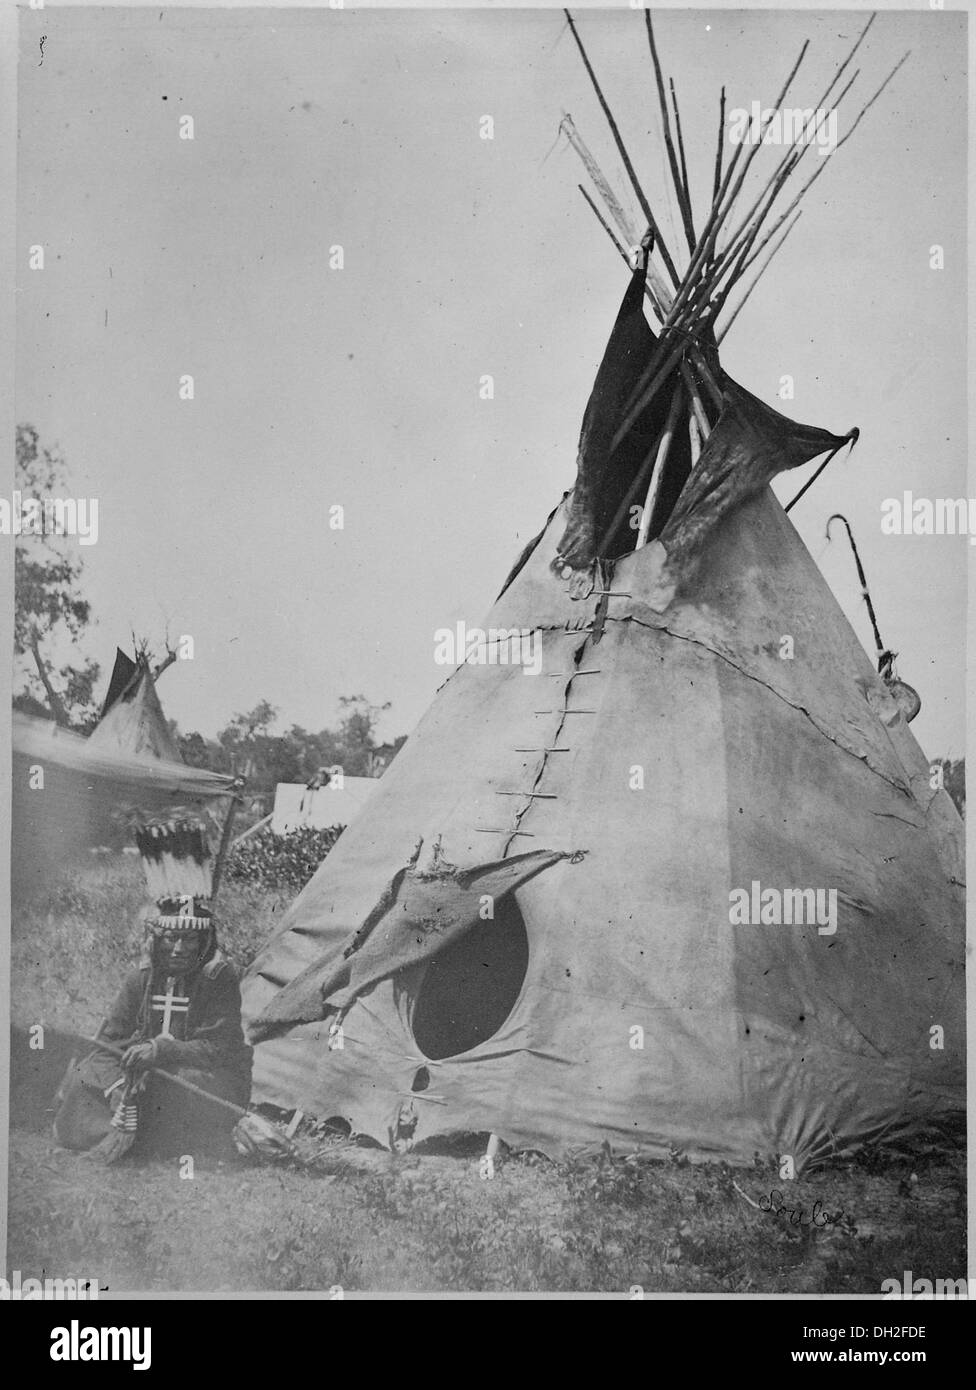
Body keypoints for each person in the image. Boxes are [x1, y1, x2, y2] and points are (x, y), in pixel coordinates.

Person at [54, 817, 252, 1164]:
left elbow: (220, 1049)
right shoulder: (140, 980)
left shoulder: (218, 977)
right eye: (170, 939)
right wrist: (117, 1086)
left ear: (204, 941)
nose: (178, 949)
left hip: (201, 1077)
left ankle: (146, 1136)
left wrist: (161, 1049)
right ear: (157, 941)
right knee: (82, 1074)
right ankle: (128, 1130)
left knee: (173, 1087)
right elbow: (109, 1042)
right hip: (141, 1078)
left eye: (189, 939)